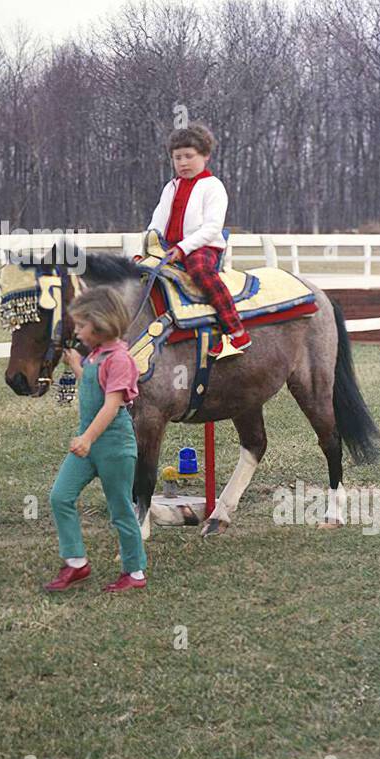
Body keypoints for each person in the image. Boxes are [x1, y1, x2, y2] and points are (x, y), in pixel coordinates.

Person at [44, 286, 147, 593]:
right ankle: (76, 563)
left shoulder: (120, 360)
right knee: (60, 496)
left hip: (113, 446)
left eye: (81, 325)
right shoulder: (96, 357)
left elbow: (111, 405)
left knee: (120, 509)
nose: (77, 331)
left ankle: (135, 572)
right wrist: (76, 365)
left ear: (101, 323)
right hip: (88, 443)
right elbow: (93, 385)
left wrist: (87, 438)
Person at [146, 122, 251, 358]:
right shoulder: (170, 187)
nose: (183, 163)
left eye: (189, 156)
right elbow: (156, 222)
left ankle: (235, 331)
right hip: (169, 247)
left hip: (202, 246)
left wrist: (183, 248)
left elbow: (212, 227)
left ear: (205, 156)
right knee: (139, 272)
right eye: (177, 157)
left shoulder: (212, 187)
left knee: (201, 271)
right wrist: (148, 247)